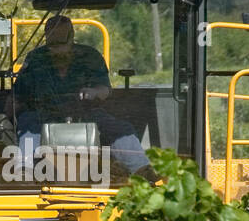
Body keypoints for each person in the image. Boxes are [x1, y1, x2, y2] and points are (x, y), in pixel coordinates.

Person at [11, 14, 157, 181]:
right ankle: (24, 172)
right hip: (44, 114)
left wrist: (94, 92)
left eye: (62, 46)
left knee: (119, 128)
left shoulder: (90, 57)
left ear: (72, 38)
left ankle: (143, 172)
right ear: (46, 40)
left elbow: (106, 90)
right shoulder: (35, 59)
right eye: (53, 47)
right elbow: (18, 95)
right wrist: (15, 108)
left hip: (86, 114)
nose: (57, 52)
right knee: (28, 125)